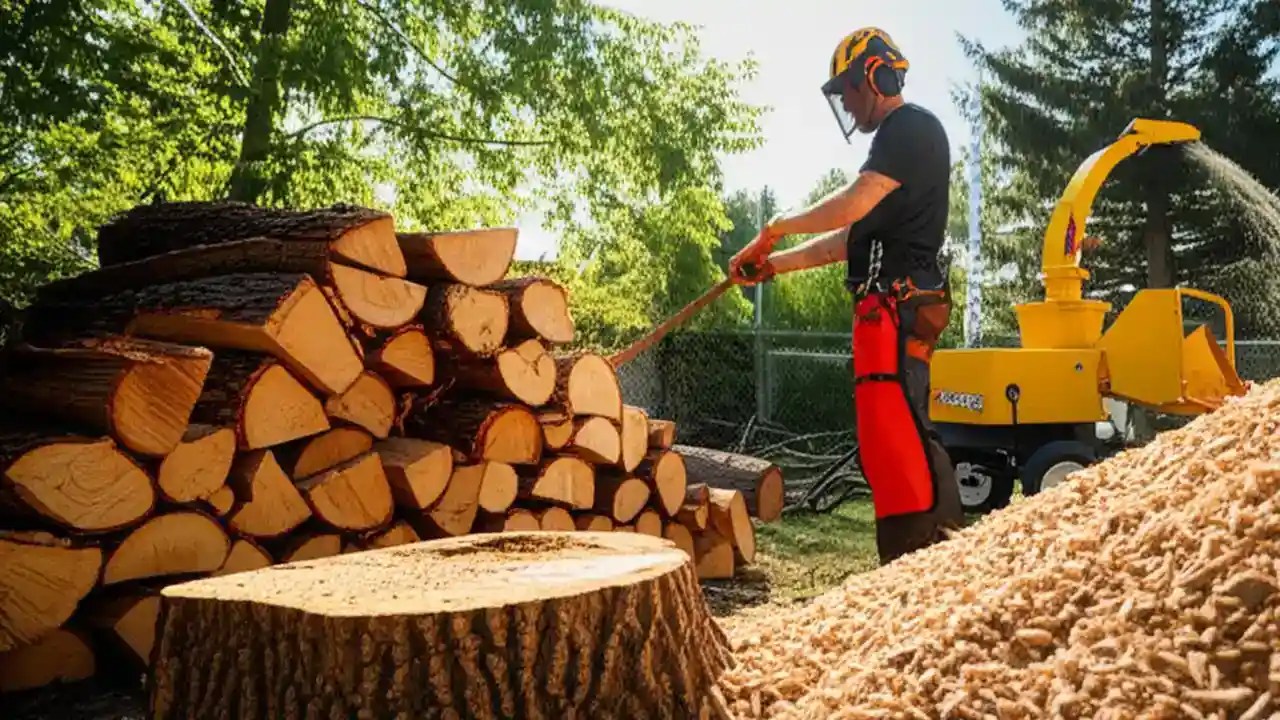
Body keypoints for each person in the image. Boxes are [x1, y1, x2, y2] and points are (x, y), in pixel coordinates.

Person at [729, 27, 964, 565]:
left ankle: (934, 555)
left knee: (901, 432)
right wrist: (773, 266)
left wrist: (777, 226)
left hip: (900, 303)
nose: (848, 104)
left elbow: (854, 203)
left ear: (875, 76)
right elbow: (846, 239)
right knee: (885, 440)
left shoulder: (910, 127)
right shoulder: (890, 160)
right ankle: (905, 560)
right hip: (886, 306)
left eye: (849, 89)